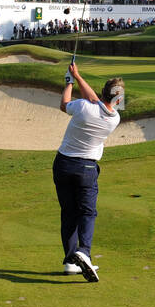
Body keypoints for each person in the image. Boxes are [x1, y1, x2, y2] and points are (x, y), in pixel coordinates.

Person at [53, 61, 124, 282]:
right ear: (118, 99)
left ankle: (70, 261)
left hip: (63, 165)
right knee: (87, 213)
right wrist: (78, 76)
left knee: (69, 213)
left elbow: (65, 104)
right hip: (86, 169)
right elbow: (98, 102)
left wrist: (70, 81)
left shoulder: (83, 107)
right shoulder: (114, 119)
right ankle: (83, 251)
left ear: (103, 92)